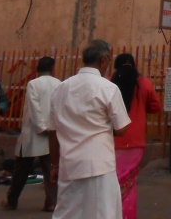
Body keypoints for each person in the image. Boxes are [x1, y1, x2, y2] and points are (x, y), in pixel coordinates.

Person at [47, 39, 130, 219]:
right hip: (99, 165)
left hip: (70, 164)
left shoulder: (61, 88)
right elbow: (122, 129)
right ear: (104, 59)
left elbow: (53, 132)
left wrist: (54, 164)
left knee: (68, 213)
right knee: (102, 213)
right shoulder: (108, 88)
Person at [2, 56, 61, 212]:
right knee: (50, 170)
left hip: (33, 132)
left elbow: (34, 107)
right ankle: (51, 202)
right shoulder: (59, 84)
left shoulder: (33, 84)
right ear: (53, 68)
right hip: (52, 132)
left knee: (21, 171)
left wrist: (41, 127)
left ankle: (12, 200)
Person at [110, 53, 162, 219]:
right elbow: (156, 107)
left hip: (112, 140)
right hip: (135, 141)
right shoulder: (143, 83)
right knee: (129, 185)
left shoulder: (110, 83)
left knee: (111, 182)